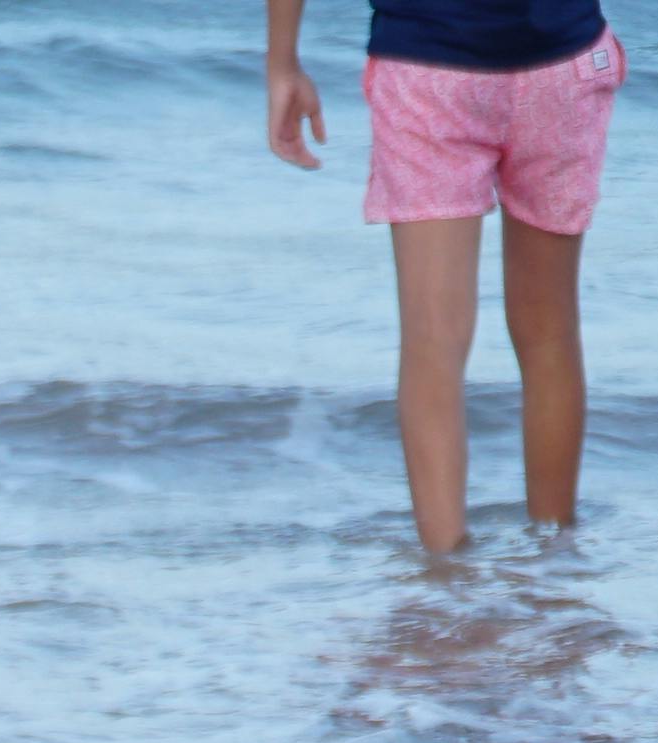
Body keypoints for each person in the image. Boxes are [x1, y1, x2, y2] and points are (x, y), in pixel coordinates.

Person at [265, 0, 619, 558]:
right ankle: (555, 572)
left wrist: (282, 62)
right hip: (562, 59)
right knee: (549, 332)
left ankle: (445, 582)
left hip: (428, 64)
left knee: (434, 340)